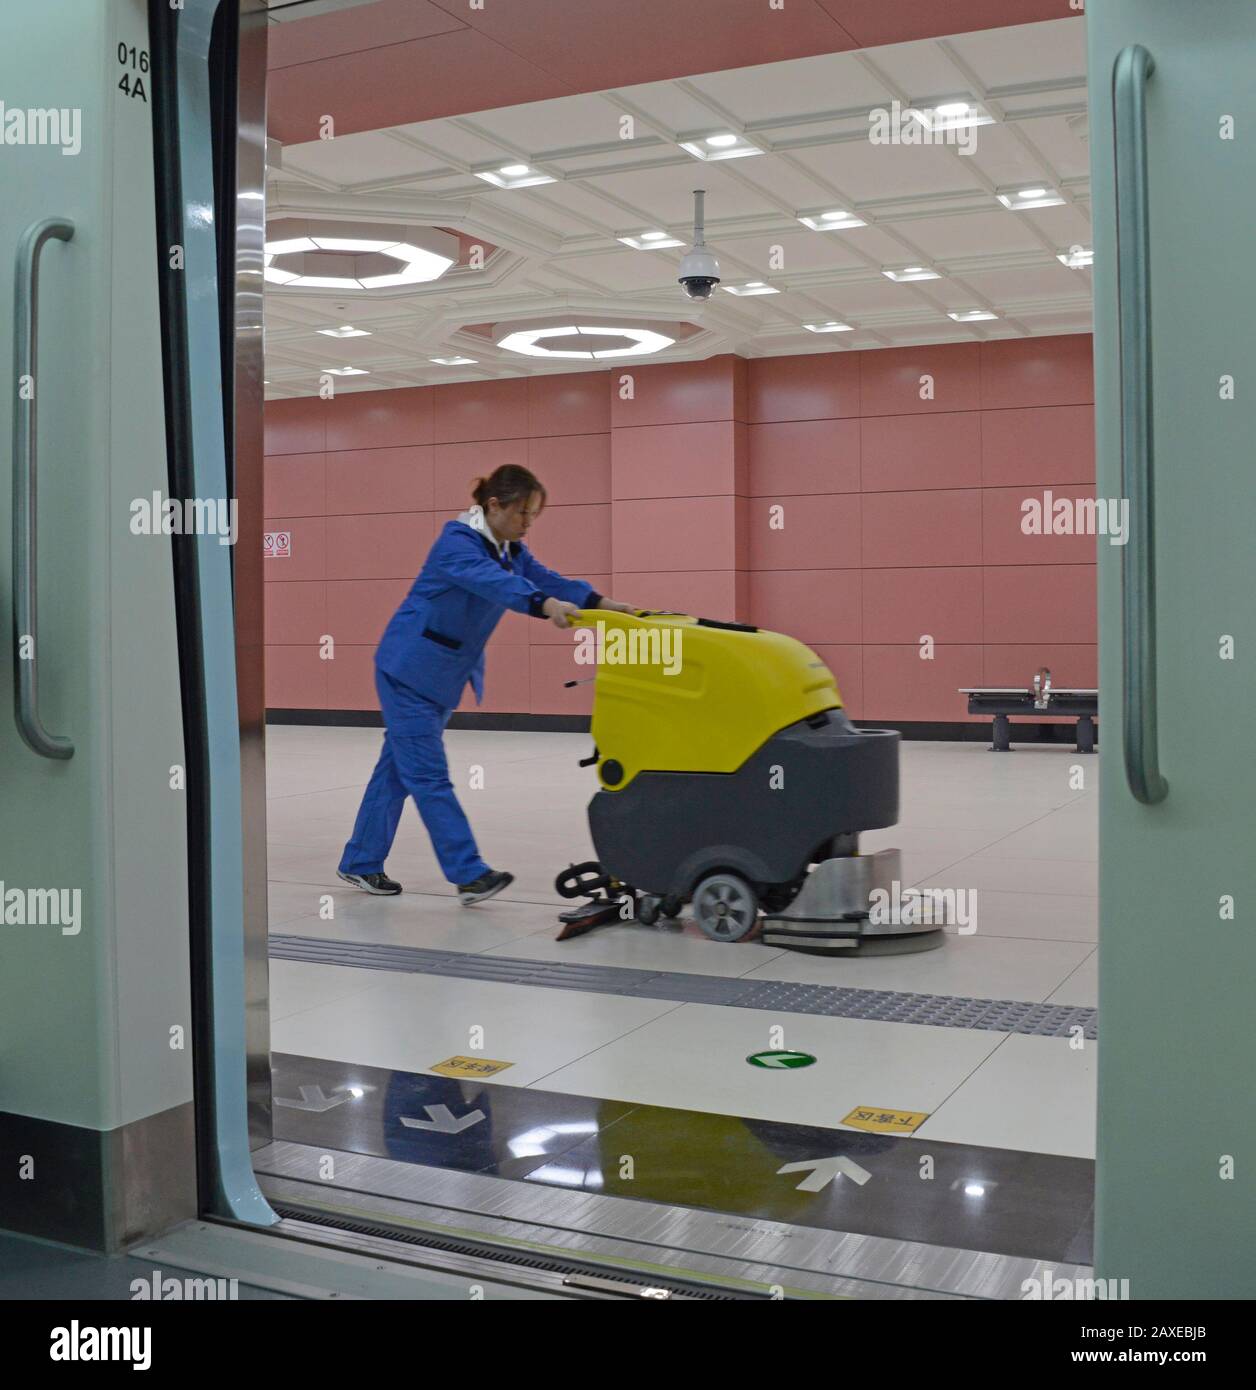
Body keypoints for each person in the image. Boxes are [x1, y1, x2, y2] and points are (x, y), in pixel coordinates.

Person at [337, 464, 637, 905]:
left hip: (439, 677)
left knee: (397, 772)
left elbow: (545, 578)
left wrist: (603, 603)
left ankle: (360, 861)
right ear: (493, 506)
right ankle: (469, 873)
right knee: (428, 776)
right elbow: (498, 585)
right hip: (408, 671)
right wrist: (544, 605)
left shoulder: (509, 549)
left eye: (533, 515)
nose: (528, 523)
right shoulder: (456, 544)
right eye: (522, 513)